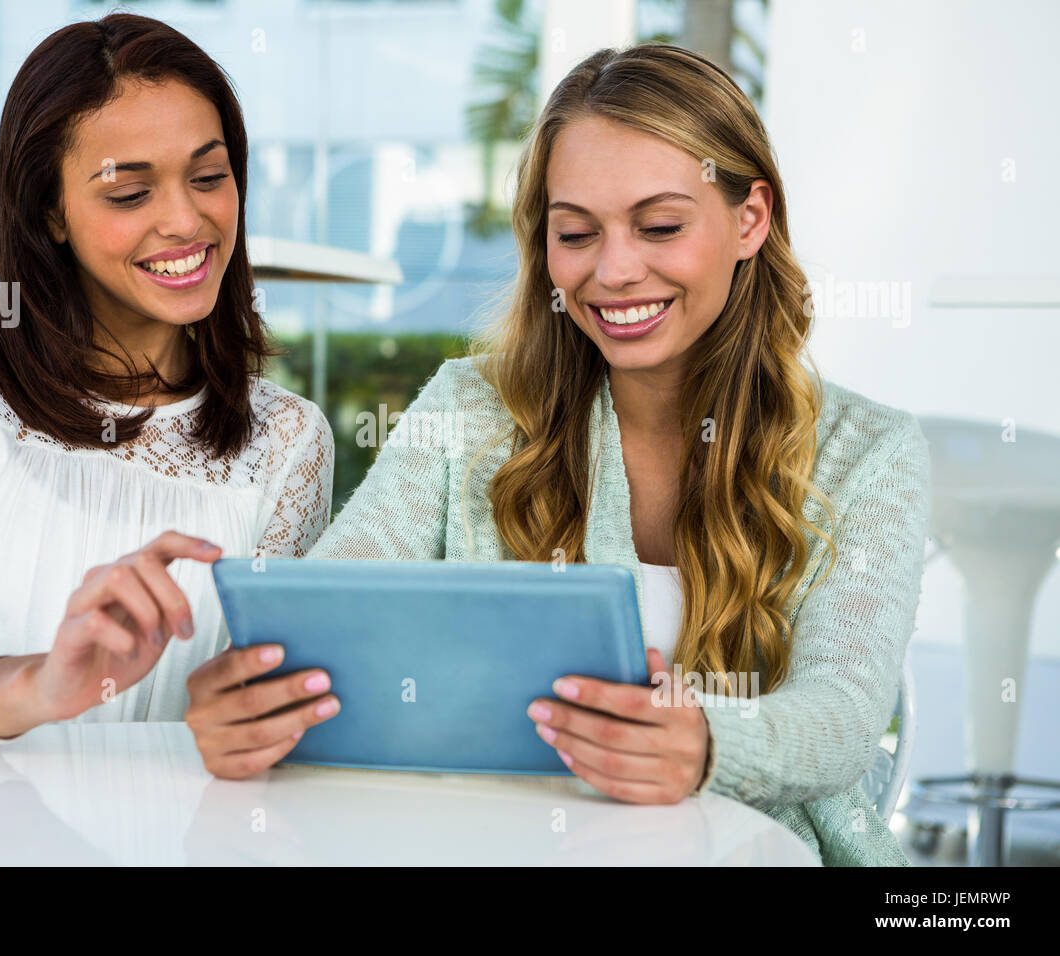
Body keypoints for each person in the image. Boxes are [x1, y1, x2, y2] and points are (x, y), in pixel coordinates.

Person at [184, 44, 930, 867]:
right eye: (575, 233)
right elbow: (333, 604)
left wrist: (704, 744)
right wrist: (253, 694)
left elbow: (846, 713)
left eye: (660, 226)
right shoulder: (471, 410)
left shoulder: (868, 453)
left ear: (750, 218)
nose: (613, 271)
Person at [0, 13, 333, 746]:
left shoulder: (288, 440)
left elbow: (262, 712)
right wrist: (37, 684)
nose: (187, 220)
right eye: (130, 194)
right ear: (50, 211)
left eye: (209, 177)